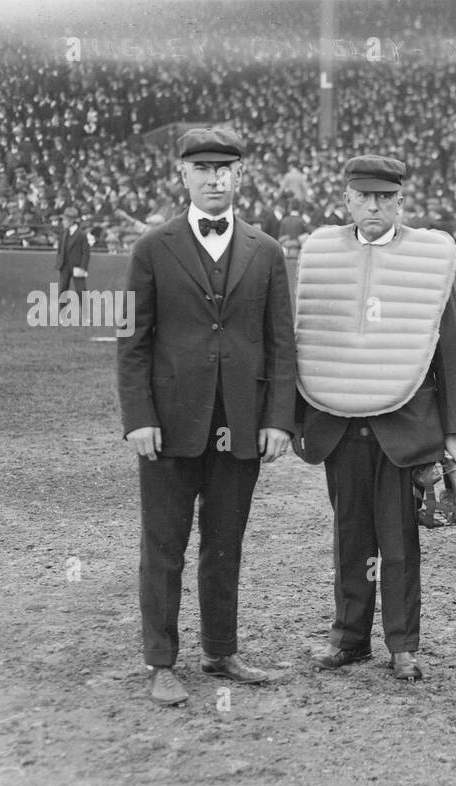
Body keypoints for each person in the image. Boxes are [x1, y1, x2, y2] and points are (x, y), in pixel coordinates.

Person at [117, 127, 296, 706]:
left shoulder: (266, 250)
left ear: (241, 176)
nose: (215, 178)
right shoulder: (152, 247)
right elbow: (133, 342)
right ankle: (161, 661)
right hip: (168, 426)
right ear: (184, 175)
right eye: (203, 168)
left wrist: (277, 420)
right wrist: (139, 417)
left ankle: (221, 650)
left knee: (225, 544)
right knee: (163, 547)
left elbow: (280, 344)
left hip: (240, 426)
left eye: (226, 168)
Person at [293, 155, 456, 683]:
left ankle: (402, 644)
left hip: (403, 426)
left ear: (399, 201)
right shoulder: (321, 255)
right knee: (350, 537)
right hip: (339, 423)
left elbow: (451, 353)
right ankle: (349, 638)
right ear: (346, 199)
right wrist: (292, 418)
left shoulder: (427, 263)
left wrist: (455, 431)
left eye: (384, 197)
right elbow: (304, 340)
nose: (374, 206)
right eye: (364, 196)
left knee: (398, 542)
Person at [55, 205, 90, 314]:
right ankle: (62, 314)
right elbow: (60, 249)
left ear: (71, 221)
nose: (63, 222)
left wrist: (83, 268)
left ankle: (86, 316)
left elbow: (86, 252)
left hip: (77, 267)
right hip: (65, 266)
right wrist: (59, 262)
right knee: (62, 290)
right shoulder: (64, 233)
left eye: (65, 219)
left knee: (81, 291)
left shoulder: (81, 234)